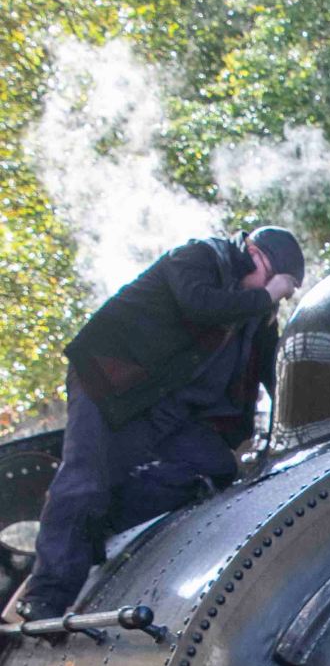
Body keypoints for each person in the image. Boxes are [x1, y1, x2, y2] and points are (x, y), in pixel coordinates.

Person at [13, 226, 305, 621]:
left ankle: (100, 526)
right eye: (279, 286)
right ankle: (43, 598)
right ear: (254, 255)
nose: (277, 299)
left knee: (213, 466)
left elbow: (279, 375)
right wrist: (266, 295)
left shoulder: (254, 315)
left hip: (162, 408)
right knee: (85, 481)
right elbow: (200, 305)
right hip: (109, 383)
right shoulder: (200, 257)